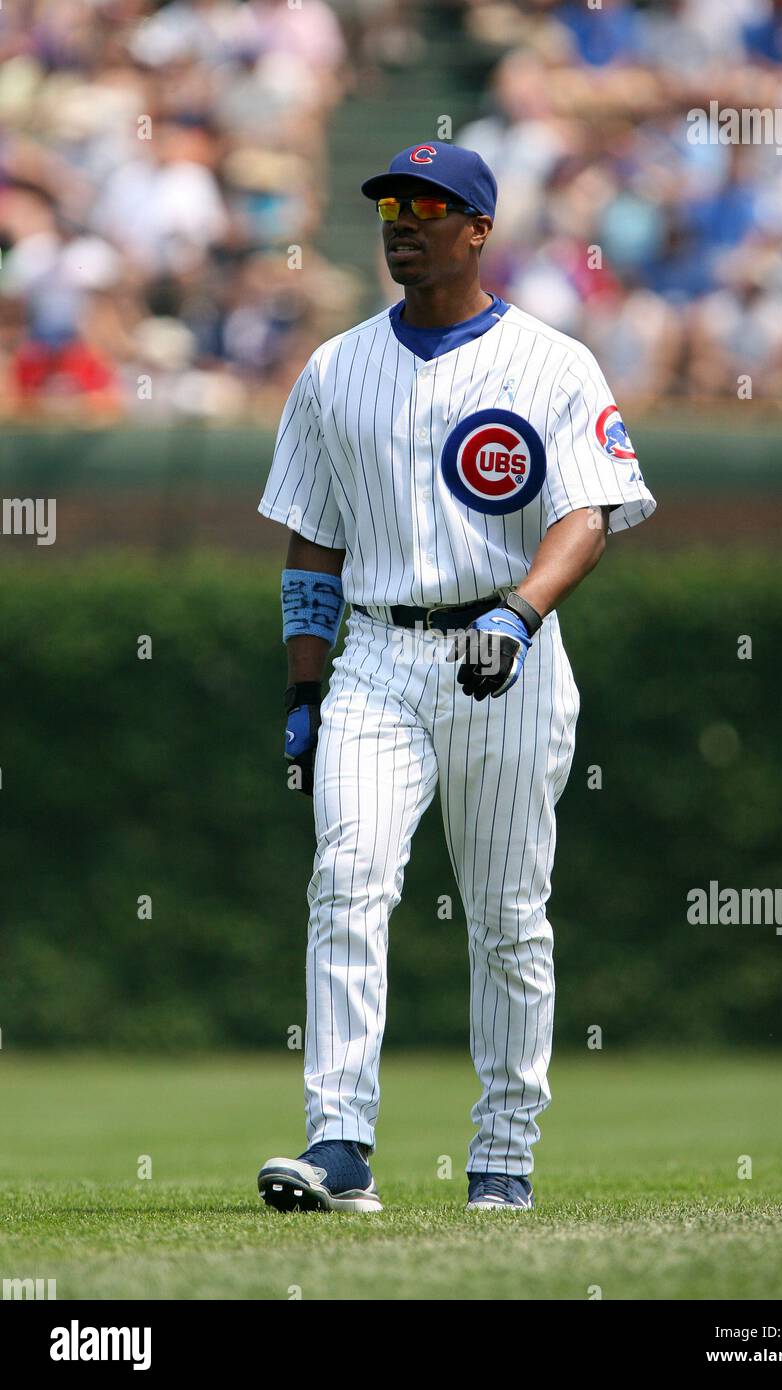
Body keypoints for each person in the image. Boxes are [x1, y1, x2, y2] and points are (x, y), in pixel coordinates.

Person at [257, 142, 656, 1213]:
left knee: (508, 916)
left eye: (428, 205)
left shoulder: (553, 361)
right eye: (390, 202)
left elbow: (590, 512)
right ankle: (338, 1144)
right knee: (348, 877)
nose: (402, 219)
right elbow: (311, 545)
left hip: (508, 657)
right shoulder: (336, 368)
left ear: (478, 229)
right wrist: (303, 693)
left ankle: (504, 1156)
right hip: (379, 656)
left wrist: (519, 616)